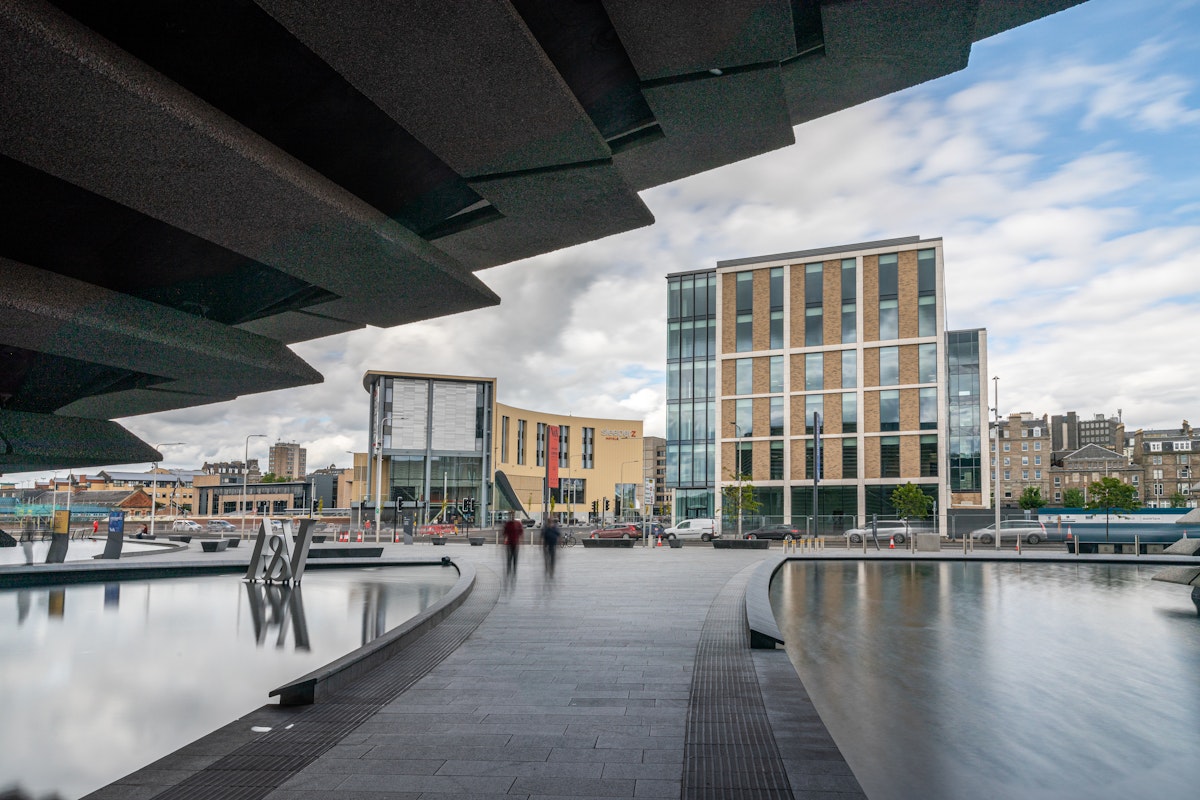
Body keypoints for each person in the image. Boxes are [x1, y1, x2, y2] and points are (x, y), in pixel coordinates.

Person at [502, 513, 523, 586]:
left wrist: (520, 541)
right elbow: (504, 533)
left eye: (513, 515)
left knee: (515, 558)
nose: (512, 516)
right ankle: (509, 570)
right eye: (511, 515)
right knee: (509, 558)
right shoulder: (508, 524)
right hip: (509, 543)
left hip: (515, 543)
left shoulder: (518, 524)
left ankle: (513, 571)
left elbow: (521, 533)